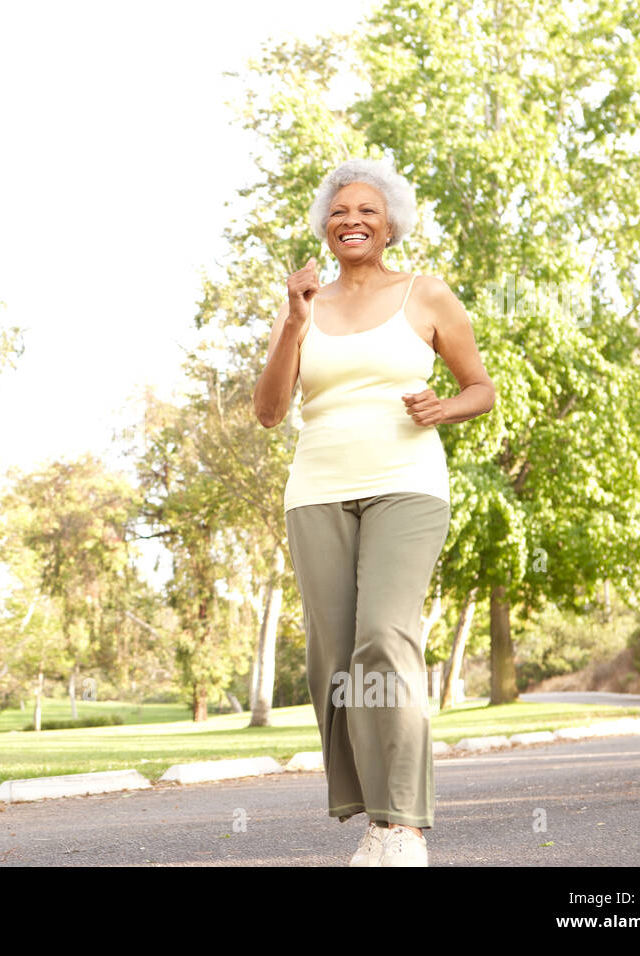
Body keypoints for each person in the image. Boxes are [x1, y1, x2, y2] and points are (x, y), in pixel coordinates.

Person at [252, 157, 495, 866]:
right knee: (337, 660)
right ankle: (376, 823)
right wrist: (294, 324)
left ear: (390, 224)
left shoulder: (427, 295)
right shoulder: (304, 306)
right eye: (338, 211)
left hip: (407, 482)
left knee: (384, 637)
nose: (351, 220)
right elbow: (269, 413)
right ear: (324, 228)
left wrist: (444, 406)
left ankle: (405, 827)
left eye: (366, 211)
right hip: (318, 489)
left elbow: (480, 386)